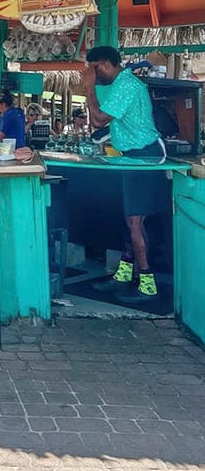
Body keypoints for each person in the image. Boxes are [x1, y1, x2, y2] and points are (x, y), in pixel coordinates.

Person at [84, 45, 167, 300]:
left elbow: (97, 120)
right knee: (130, 219)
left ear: (108, 64)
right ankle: (124, 273)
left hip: (143, 155)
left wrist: (88, 87)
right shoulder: (119, 84)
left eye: (96, 69)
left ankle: (147, 283)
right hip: (130, 156)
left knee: (134, 222)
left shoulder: (126, 85)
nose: (94, 74)